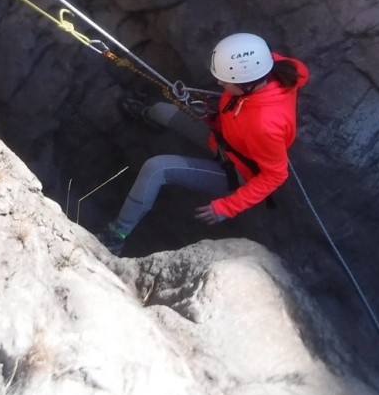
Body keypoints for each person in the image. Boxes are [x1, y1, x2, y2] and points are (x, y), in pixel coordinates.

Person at [97, 32, 309, 256]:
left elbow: (275, 175)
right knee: (161, 110)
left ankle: (115, 236)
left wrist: (226, 207)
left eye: (226, 81)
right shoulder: (269, 64)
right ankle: (146, 113)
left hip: (236, 169)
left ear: (247, 84)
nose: (219, 83)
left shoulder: (264, 125)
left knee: (156, 168)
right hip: (225, 134)